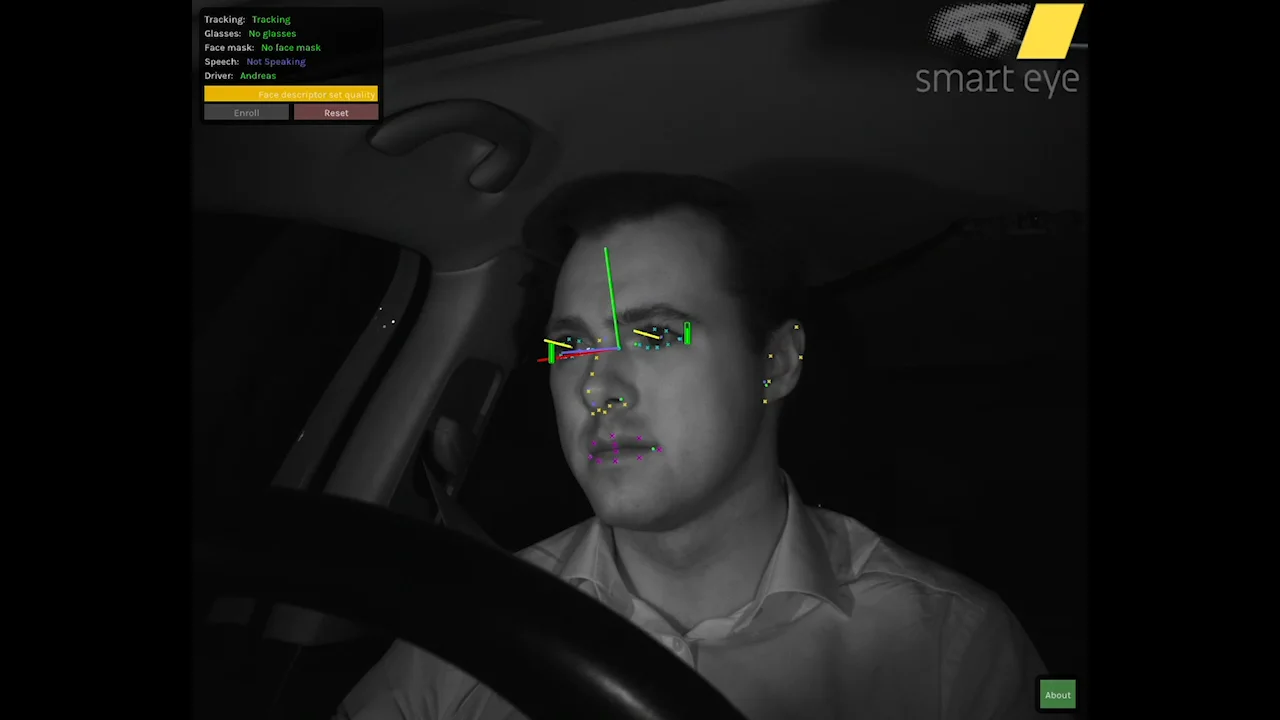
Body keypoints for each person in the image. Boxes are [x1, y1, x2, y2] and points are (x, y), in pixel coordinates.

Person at [336, 172, 1047, 719]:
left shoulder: (951, 645)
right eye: (571, 345)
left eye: (654, 335)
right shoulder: (467, 630)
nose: (596, 386)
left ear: (776, 363)